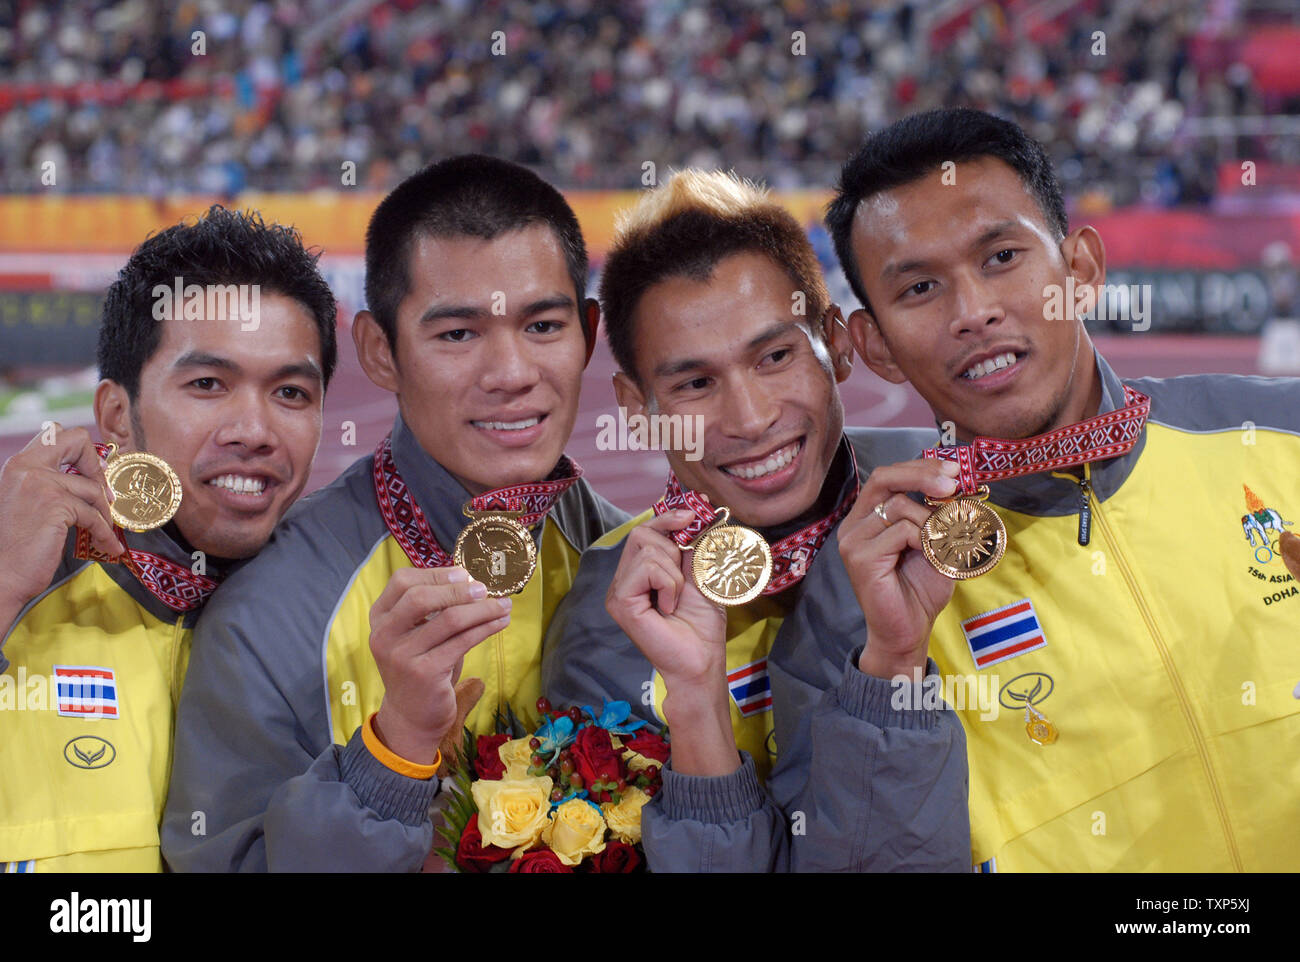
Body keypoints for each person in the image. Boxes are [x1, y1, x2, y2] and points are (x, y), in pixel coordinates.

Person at [823, 107, 1300, 870]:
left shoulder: (1284, 437)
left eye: (1003, 256)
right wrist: (891, 668)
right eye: (918, 288)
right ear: (873, 342)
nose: (973, 311)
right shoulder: (860, 588)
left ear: (1079, 270)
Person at [162, 155, 628, 872]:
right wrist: (393, 753)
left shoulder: (627, 566)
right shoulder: (268, 610)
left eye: (542, 325)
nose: (511, 374)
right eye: (457, 335)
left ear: (590, 334)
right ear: (380, 352)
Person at [541, 169, 969, 871]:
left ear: (836, 342)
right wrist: (695, 702)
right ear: (634, 406)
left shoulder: (958, 505)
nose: (750, 419)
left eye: (776, 356)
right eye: (693, 384)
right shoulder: (608, 618)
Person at [0, 205, 338, 872]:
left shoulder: (353, 614)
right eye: (208, 384)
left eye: (292, 393)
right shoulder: (23, 592)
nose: (255, 429)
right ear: (116, 416)